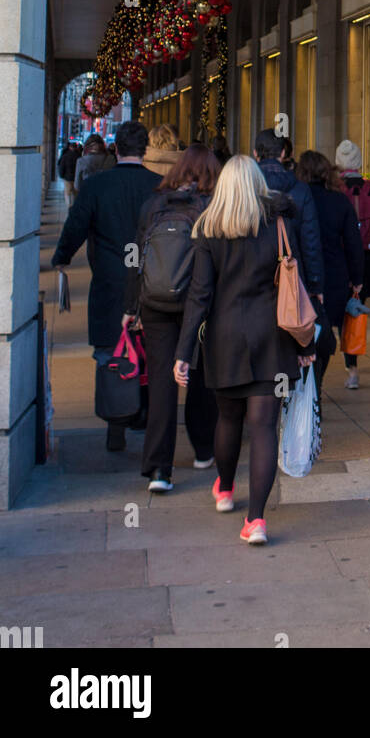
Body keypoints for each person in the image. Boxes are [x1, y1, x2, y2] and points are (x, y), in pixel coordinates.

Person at [173, 155, 316, 545]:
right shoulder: (280, 224)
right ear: (257, 185)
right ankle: (256, 520)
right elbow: (295, 284)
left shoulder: (208, 229)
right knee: (264, 427)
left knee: (228, 418)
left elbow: (199, 296)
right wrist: (307, 343)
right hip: (274, 338)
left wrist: (183, 351)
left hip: (225, 339)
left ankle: (224, 487)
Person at [51, 121, 161, 451]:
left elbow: (76, 226)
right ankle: (144, 415)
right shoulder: (160, 187)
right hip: (152, 281)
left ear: (117, 148)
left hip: (111, 279)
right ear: (145, 150)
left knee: (110, 352)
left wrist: (62, 257)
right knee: (150, 349)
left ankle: (116, 421)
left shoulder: (97, 186)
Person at [122, 143, 220, 493]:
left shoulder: (153, 205)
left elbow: (134, 255)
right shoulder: (211, 208)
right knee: (199, 375)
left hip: (157, 303)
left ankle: (159, 470)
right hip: (200, 305)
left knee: (162, 384)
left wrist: (132, 306)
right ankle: (203, 449)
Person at [296, 151, 364, 391]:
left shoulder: (296, 199)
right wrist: (357, 279)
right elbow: (354, 243)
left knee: (303, 333)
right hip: (334, 277)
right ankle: (316, 383)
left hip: (302, 278)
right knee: (325, 333)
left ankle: (307, 386)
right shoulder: (339, 201)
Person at [253, 129, 324, 303]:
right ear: (283, 153)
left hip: (252, 275)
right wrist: (315, 283)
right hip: (292, 275)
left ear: (255, 154)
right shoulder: (301, 189)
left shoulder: (246, 187)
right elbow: (310, 240)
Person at [334, 139, 370, 388]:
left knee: (343, 313)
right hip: (367, 257)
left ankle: (350, 364)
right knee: (356, 310)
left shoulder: (334, 189)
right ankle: (352, 364)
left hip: (340, 258)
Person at [57, 141, 81, 208]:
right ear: (76, 148)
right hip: (76, 178)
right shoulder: (79, 156)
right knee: (75, 193)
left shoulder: (65, 156)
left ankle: (69, 205)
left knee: (67, 193)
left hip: (67, 177)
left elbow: (62, 167)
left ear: (70, 147)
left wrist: (61, 175)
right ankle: (75, 205)